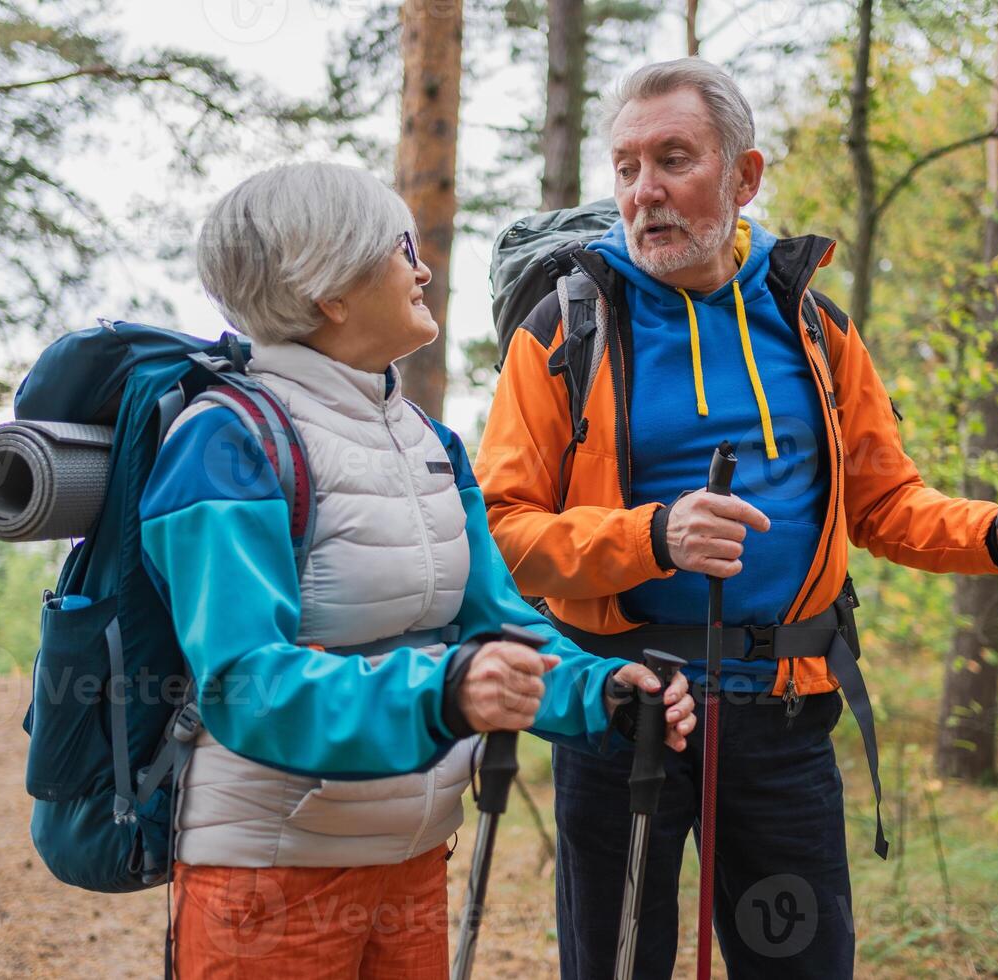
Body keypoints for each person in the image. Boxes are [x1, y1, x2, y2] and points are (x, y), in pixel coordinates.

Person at [474, 58, 998, 978]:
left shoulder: (812, 325)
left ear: (744, 176)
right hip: (623, 708)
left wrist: (995, 535)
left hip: (785, 715)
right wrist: (654, 536)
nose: (645, 192)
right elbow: (502, 534)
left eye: (674, 159)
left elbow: (884, 501)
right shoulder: (565, 328)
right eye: (627, 167)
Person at [139, 161, 696, 978]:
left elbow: (496, 624)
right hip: (271, 875)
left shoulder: (427, 442)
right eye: (402, 249)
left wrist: (601, 690)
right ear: (329, 290)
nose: (423, 269)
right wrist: (444, 692)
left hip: (413, 859)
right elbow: (245, 685)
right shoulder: (224, 443)